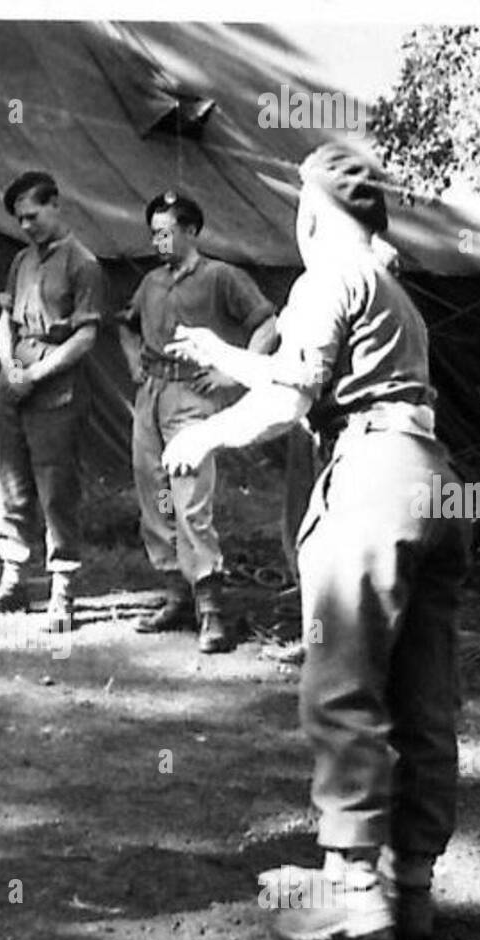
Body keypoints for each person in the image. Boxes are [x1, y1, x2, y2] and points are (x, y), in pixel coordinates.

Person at [162, 142, 471, 940]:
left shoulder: (327, 274)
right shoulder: (395, 295)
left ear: (310, 214)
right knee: (423, 693)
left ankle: (353, 889)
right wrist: (224, 356)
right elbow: (315, 376)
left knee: (342, 682)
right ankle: (413, 888)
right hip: (432, 479)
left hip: (368, 479)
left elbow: (294, 395)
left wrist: (208, 436)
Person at [118, 191, 277, 653]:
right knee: (156, 495)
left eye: (167, 232)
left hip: (192, 398)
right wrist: (133, 364)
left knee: (189, 498)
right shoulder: (150, 283)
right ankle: (175, 594)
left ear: (191, 231)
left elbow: (267, 324)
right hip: (151, 398)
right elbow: (125, 323)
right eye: (153, 234)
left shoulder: (220, 277)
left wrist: (234, 370)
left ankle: (210, 606)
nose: (159, 241)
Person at [0, 171, 105, 628]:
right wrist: (11, 366)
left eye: (33, 216)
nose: (27, 226)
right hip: (14, 381)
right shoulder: (21, 261)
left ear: (56, 205)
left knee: (56, 487)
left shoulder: (83, 263)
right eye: (20, 220)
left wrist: (37, 373)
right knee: (6, 481)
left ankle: (63, 589)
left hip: (58, 385)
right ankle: (13, 579)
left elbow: (86, 336)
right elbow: (5, 318)